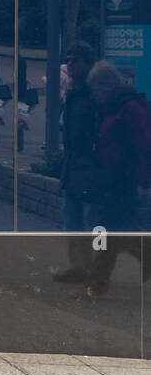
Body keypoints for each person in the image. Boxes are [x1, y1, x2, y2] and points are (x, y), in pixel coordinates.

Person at [72, 61, 151, 299]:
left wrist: (142, 179)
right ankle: (97, 284)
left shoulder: (130, 107)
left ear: (108, 85)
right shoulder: (115, 106)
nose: (96, 95)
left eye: (98, 90)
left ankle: (96, 286)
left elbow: (143, 144)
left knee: (107, 230)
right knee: (117, 232)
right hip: (114, 177)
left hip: (123, 178)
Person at [52, 42, 100, 284]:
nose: (70, 65)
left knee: (92, 220)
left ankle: (94, 268)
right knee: (72, 216)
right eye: (68, 60)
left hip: (90, 164)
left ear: (88, 64)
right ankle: (78, 266)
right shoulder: (73, 92)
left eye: (75, 61)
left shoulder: (94, 94)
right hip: (73, 163)